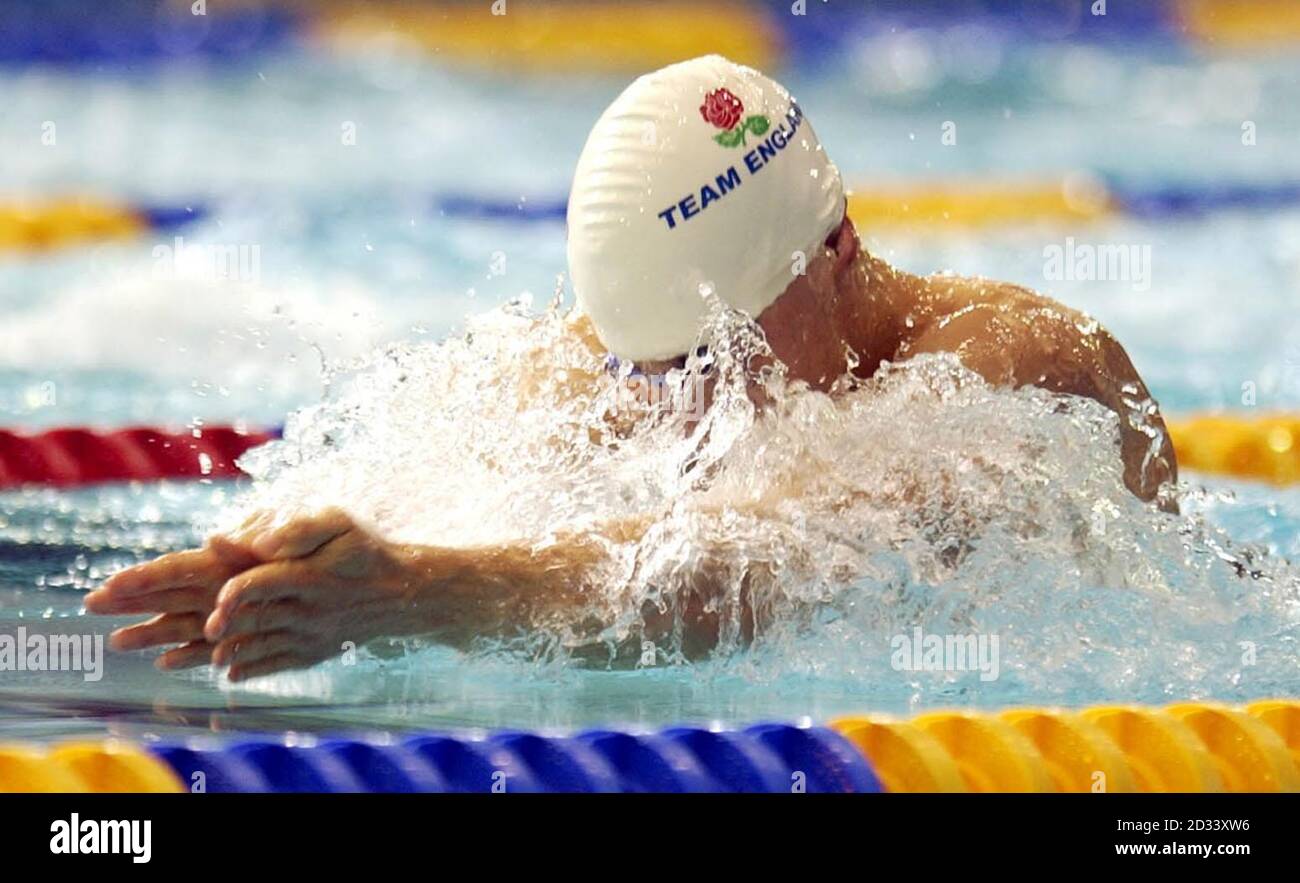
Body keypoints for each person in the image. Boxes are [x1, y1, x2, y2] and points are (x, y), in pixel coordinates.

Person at [85, 55, 1176, 680]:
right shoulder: (638, 364)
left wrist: (421, 593)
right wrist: (279, 566)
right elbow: (451, 485)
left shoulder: (1011, 366)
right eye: (654, 369)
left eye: (719, 352)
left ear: (835, 249)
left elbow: (774, 568)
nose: (687, 403)